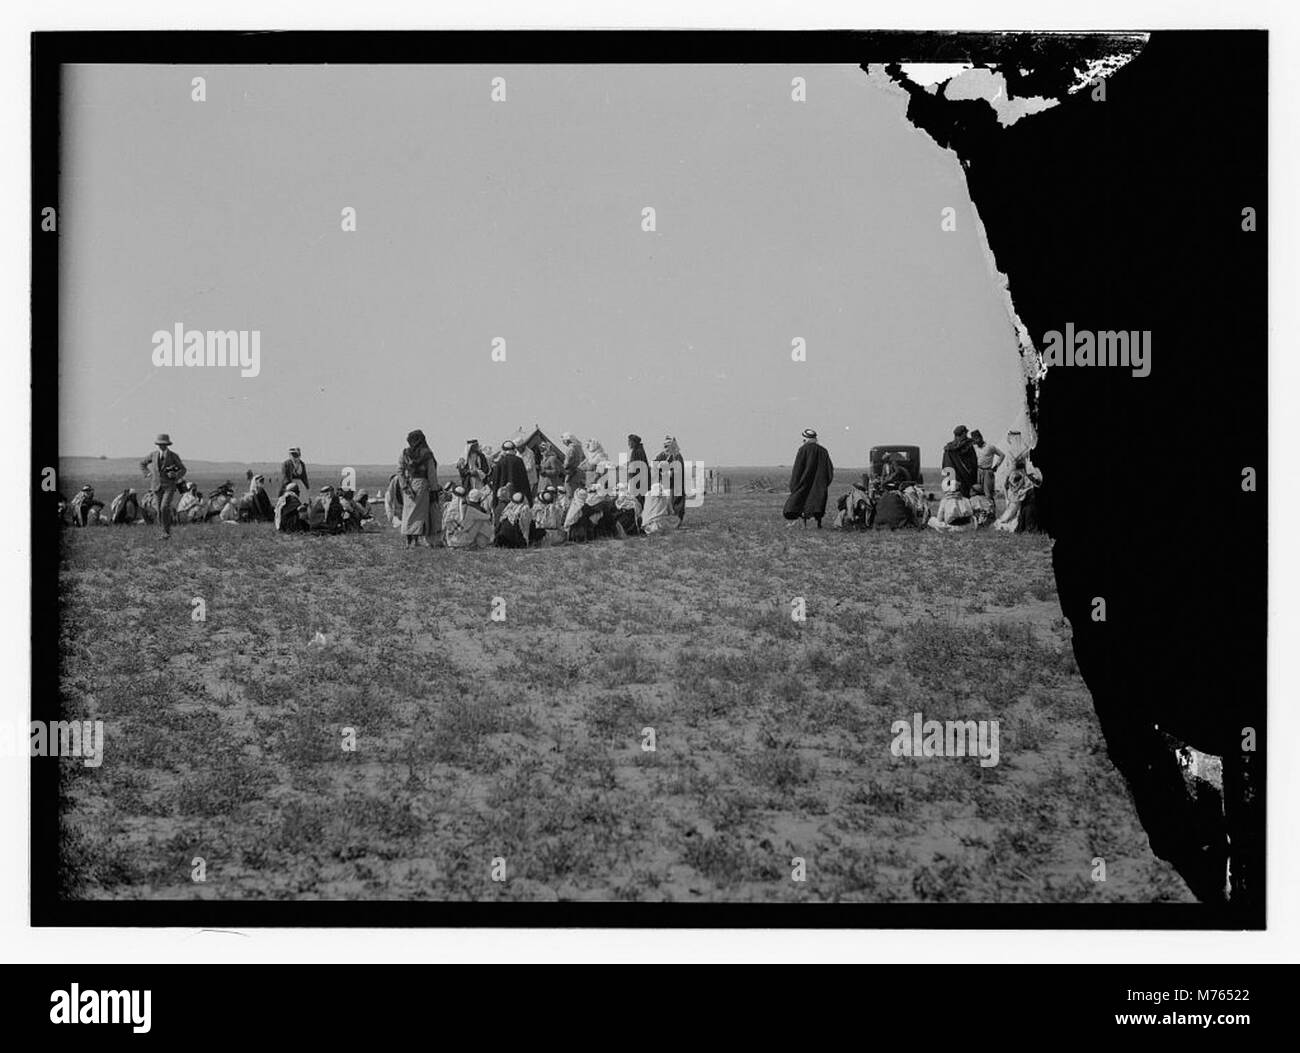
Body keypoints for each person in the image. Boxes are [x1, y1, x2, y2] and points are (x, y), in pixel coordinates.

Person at [783, 428, 834, 528]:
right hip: (819, 484)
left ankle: (804, 525)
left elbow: (798, 468)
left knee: (802, 502)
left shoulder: (803, 450)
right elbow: (830, 469)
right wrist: (825, 482)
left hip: (804, 482)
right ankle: (819, 524)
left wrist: (794, 484)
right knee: (818, 504)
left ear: (806, 439)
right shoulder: (823, 451)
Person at [139, 432, 186, 538]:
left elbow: (183, 469)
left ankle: (166, 532)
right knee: (158, 510)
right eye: (160, 444)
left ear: (167, 445)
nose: (162, 446)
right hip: (156, 486)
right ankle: (163, 531)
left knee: (164, 507)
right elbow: (142, 463)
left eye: (164, 444)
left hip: (169, 486)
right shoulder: (153, 455)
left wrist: (175, 474)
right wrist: (148, 473)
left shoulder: (173, 456)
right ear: (157, 444)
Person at [398, 428, 438, 547]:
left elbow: (400, 471)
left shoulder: (405, 453)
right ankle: (415, 541)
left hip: (408, 485)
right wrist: (434, 489)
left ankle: (409, 540)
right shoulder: (427, 454)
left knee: (408, 513)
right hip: (421, 485)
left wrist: (404, 486)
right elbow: (431, 473)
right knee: (419, 514)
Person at [654, 436, 688, 525]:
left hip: (676, 483)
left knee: (676, 502)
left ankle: (678, 521)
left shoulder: (677, 456)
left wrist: (670, 472)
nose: (665, 448)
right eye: (664, 446)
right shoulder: (662, 455)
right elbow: (655, 463)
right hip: (665, 483)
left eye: (667, 446)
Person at [488, 440, 533, 507]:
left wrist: (495, 501)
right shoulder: (518, 460)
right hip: (517, 494)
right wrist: (529, 499)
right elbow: (524, 479)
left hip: (503, 495)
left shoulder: (500, 462)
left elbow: (496, 481)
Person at [970, 430, 1005, 510]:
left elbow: (1002, 455)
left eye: (977, 439)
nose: (976, 441)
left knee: (988, 493)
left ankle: (992, 511)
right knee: (976, 491)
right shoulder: (974, 447)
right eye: (974, 440)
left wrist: (996, 466)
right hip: (978, 471)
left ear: (980, 437)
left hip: (987, 472)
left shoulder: (990, 447)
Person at [941, 425, 978, 498]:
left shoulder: (948, 448)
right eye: (966, 433)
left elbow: (945, 465)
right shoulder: (968, 446)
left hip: (952, 478)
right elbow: (973, 463)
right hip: (966, 479)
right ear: (963, 433)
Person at [626, 433, 651, 508]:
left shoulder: (637, 452)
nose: (628, 444)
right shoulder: (639, 451)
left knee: (639, 502)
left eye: (630, 442)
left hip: (639, 483)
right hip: (641, 483)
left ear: (634, 442)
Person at [561, 432, 585, 497]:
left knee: (569, 491)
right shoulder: (579, 448)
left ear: (567, 440)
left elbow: (568, 461)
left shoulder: (571, 448)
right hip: (579, 472)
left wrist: (564, 466)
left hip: (571, 472)